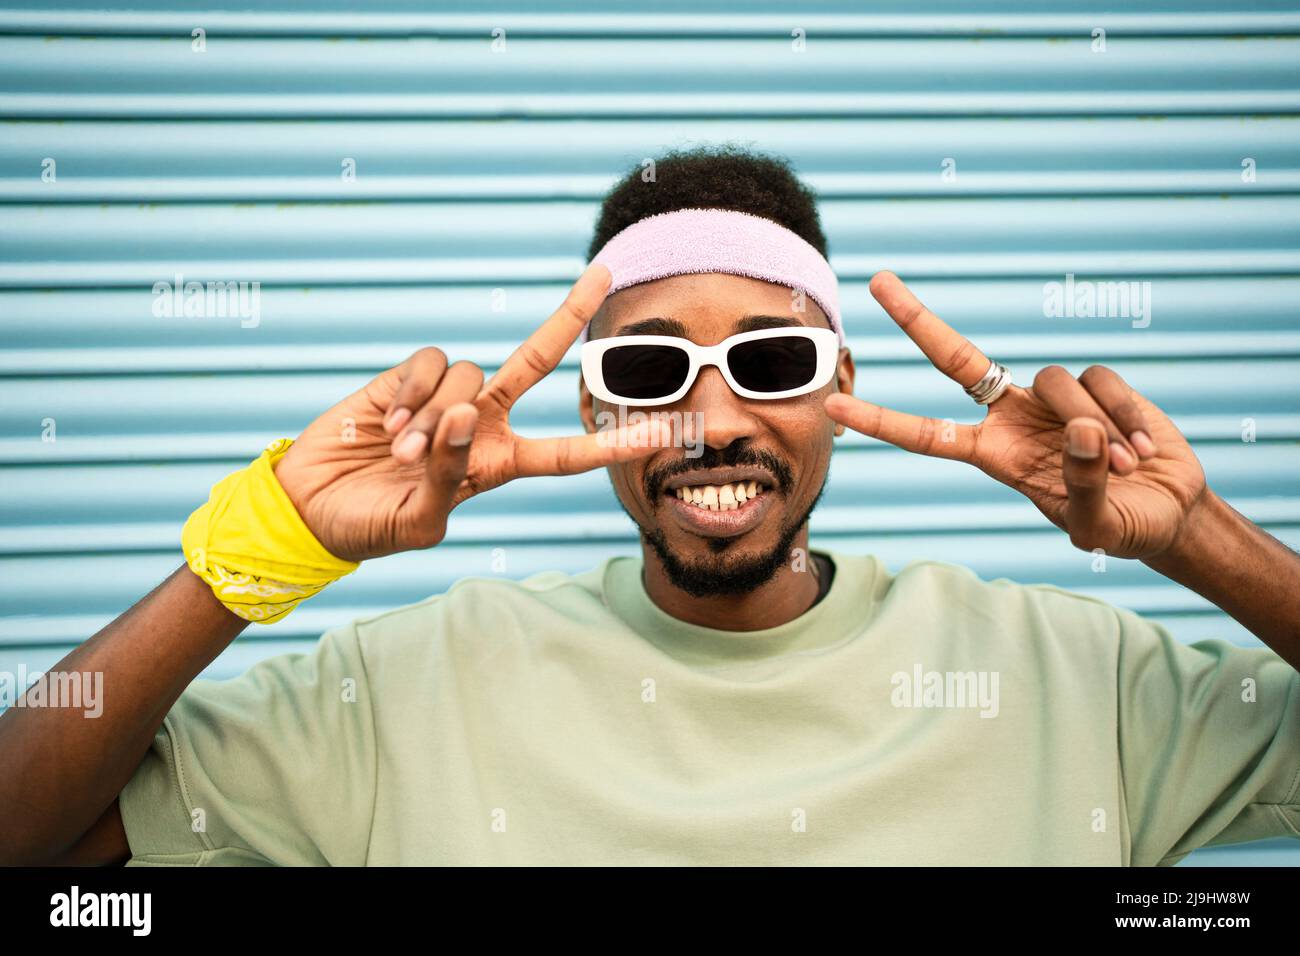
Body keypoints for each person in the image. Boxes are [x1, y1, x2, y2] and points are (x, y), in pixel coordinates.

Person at [2, 146, 1297, 867]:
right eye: (650, 367)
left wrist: (1203, 544)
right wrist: (259, 549)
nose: (718, 419)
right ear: (593, 405)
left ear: (841, 383)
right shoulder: (406, 690)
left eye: (774, 362)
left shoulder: (1075, 676)